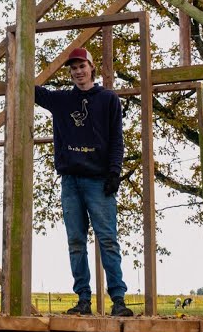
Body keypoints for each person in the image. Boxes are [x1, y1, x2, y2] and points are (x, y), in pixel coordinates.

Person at [34, 46, 133, 317]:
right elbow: (31, 90)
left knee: (108, 240)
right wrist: (17, 64)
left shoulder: (108, 99)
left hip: (99, 181)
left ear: (92, 68)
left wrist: (114, 172)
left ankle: (118, 300)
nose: (78, 71)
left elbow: (117, 140)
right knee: (76, 242)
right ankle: (83, 300)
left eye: (82, 66)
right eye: (73, 68)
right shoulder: (62, 101)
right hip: (71, 181)